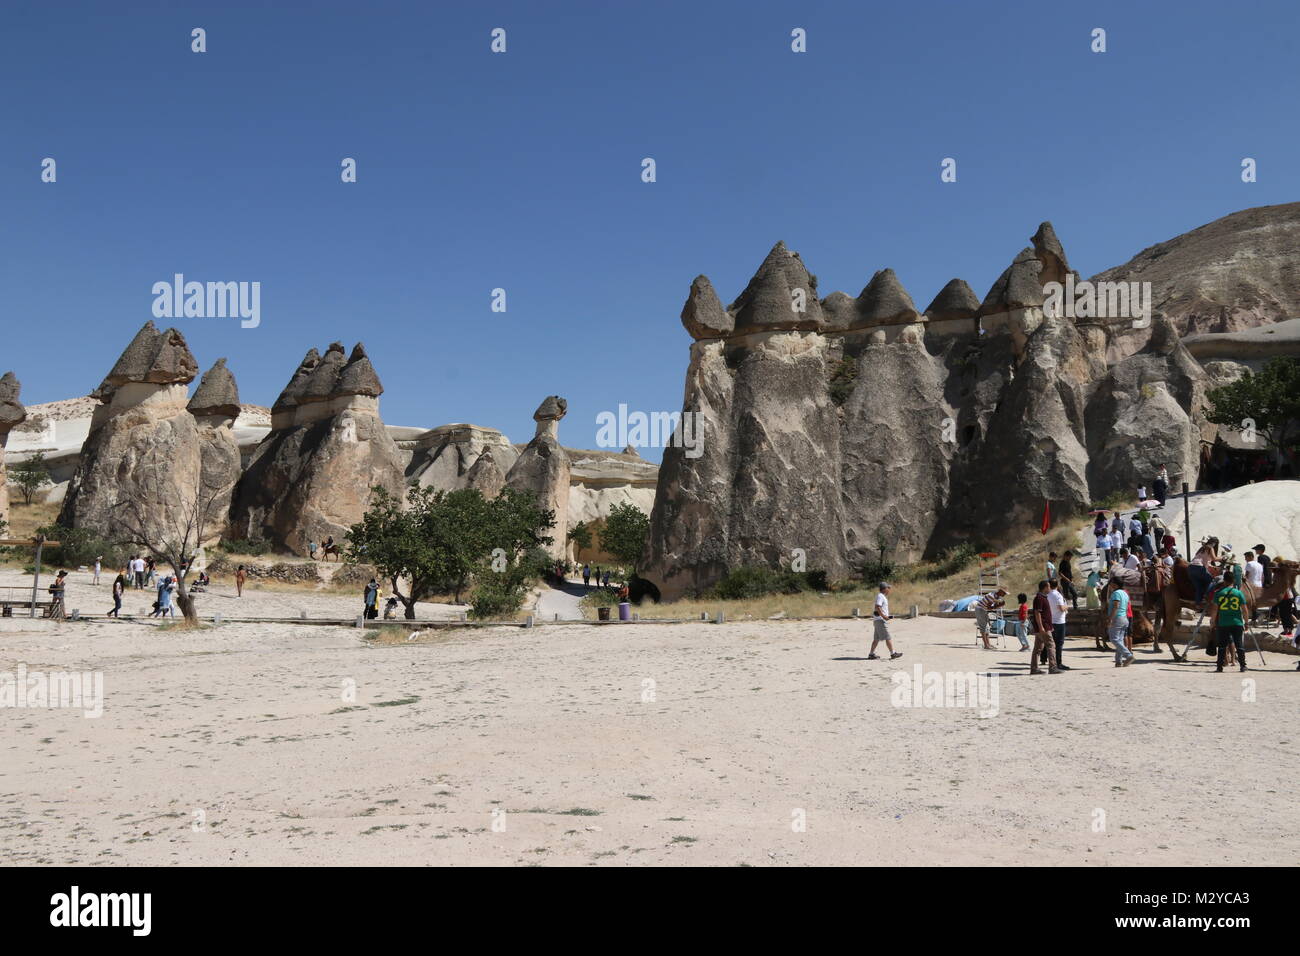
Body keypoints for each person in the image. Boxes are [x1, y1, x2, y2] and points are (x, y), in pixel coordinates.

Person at [1213, 577, 1248, 673]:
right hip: (1237, 622)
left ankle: (1219, 667)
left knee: (1222, 646)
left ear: (1224, 581)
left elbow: (1215, 610)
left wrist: (1212, 622)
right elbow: (1244, 610)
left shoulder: (1218, 593)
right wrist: (1247, 622)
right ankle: (1243, 666)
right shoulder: (1238, 593)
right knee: (1239, 645)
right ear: (1233, 581)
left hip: (1223, 623)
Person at [1029, 580, 1059, 675]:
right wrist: (1041, 627)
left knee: (1038, 648)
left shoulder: (1042, 597)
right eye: (1049, 586)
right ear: (1045, 587)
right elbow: (1037, 613)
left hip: (1044, 627)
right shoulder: (1039, 598)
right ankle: (1053, 667)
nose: (1050, 588)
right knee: (1051, 645)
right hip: (1043, 628)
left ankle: (1034, 668)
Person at [867, 582, 902, 661]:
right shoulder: (880, 596)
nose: (889, 590)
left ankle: (871, 654)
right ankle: (893, 653)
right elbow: (877, 607)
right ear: (885, 588)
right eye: (888, 588)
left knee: (876, 639)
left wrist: (885, 616)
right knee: (888, 637)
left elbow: (879, 608)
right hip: (880, 620)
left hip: (878, 620)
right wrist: (884, 616)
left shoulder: (881, 596)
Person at [1046, 579, 1071, 669]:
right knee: (1059, 643)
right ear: (1057, 584)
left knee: (1052, 643)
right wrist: (1067, 606)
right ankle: (1058, 663)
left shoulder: (1047, 595)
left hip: (1051, 621)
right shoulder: (1057, 595)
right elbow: (1061, 608)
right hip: (1059, 621)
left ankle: (1051, 662)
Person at [1109, 577, 1134, 667]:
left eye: (1111, 583)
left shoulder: (1116, 593)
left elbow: (1116, 606)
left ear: (1115, 584)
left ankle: (1128, 655)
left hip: (1117, 618)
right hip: (1124, 618)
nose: (1110, 585)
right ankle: (1118, 661)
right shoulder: (1125, 593)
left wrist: (1110, 619)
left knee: (1114, 639)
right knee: (1119, 640)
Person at [1189, 538, 1218, 606]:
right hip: (1199, 567)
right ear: (1214, 543)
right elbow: (1214, 559)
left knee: (1198, 586)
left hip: (1191, 567)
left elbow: (1201, 559)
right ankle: (1206, 597)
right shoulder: (1210, 548)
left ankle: (1198, 603)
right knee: (1212, 581)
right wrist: (1223, 557)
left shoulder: (1202, 548)